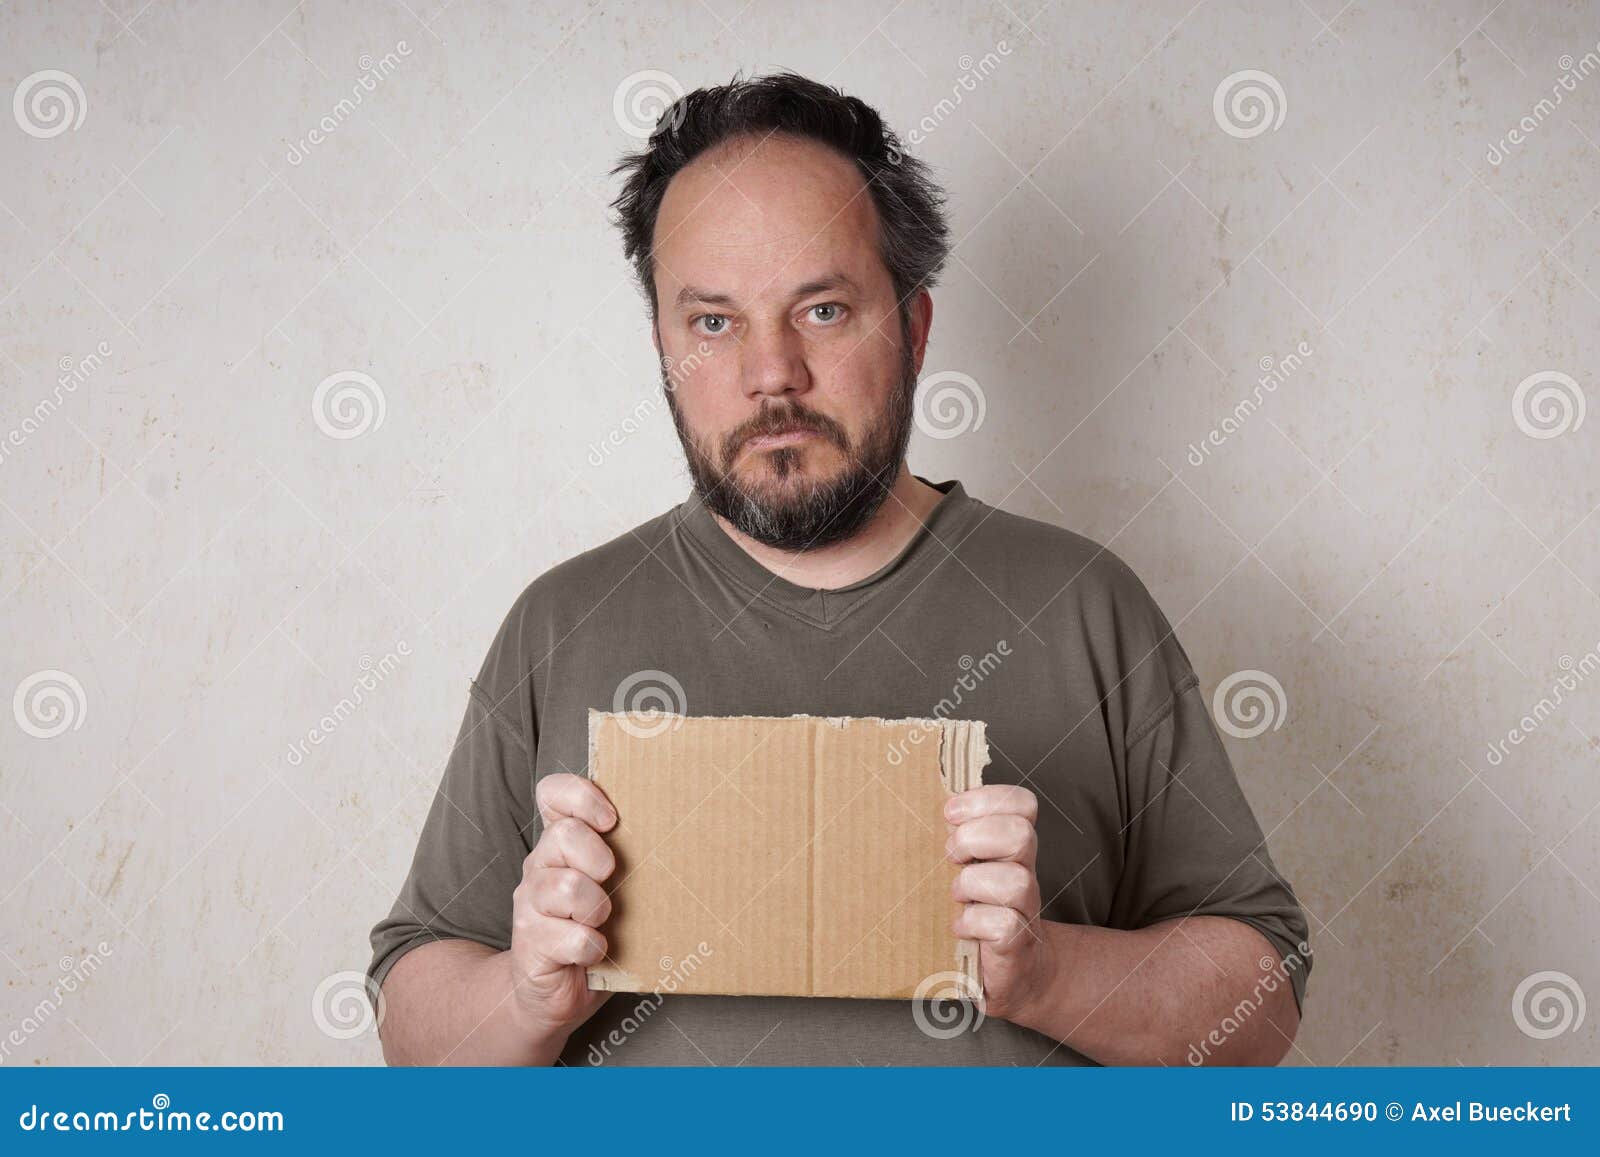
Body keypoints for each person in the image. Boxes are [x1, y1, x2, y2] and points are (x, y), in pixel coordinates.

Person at [368, 71, 1310, 1066]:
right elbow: (411, 1019)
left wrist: (1048, 971)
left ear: (910, 326)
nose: (770, 371)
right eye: (713, 321)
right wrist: (522, 992)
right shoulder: (561, 621)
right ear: (662, 346)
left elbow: (1264, 998)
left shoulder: (1082, 606)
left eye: (820, 310)